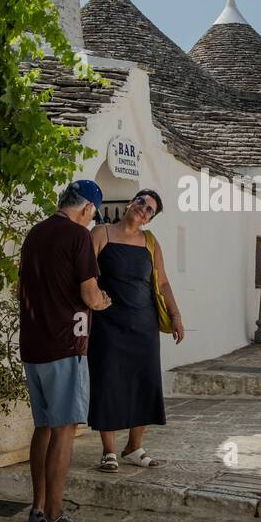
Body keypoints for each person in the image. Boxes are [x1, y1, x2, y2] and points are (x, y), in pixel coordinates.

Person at [18, 180, 111, 522]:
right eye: (93, 215)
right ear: (87, 208)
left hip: (34, 345)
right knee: (64, 429)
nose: (92, 221)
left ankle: (37, 509)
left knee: (43, 427)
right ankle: (54, 520)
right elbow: (89, 294)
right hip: (65, 345)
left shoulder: (34, 234)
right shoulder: (78, 238)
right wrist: (102, 301)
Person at [88, 189, 184, 472]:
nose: (143, 209)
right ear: (130, 202)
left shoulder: (150, 242)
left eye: (150, 209)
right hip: (107, 324)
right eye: (141, 202)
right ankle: (109, 451)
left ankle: (134, 447)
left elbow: (163, 283)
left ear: (150, 219)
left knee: (144, 383)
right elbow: (87, 275)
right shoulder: (101, 233)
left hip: (144, 324)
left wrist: (176, 315)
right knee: (108, 382)